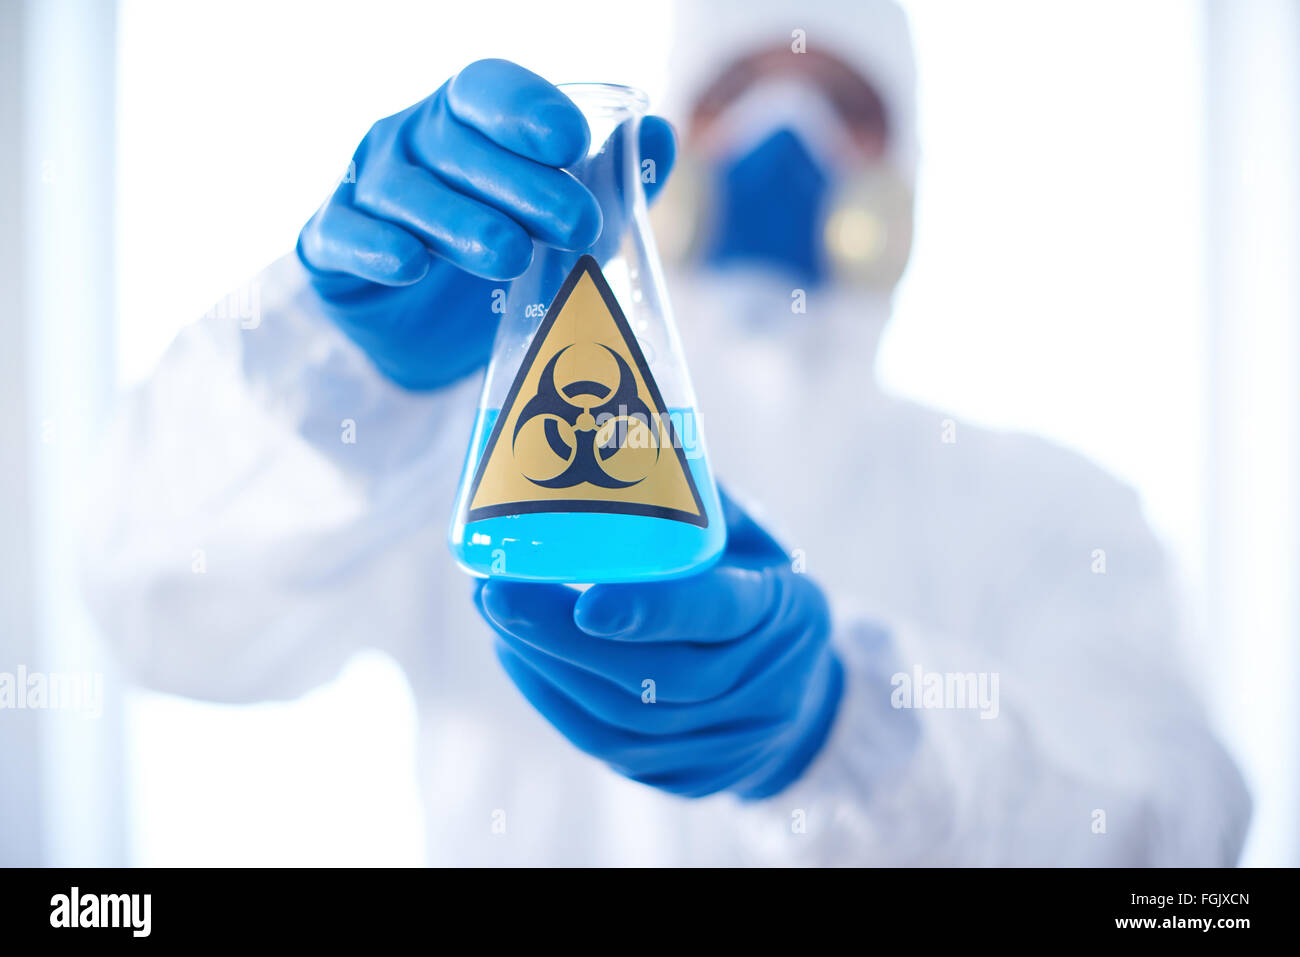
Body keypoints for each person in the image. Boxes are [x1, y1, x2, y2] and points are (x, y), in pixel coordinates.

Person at [83, 0, 1249, 864]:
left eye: (844, 105)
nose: (781, 135)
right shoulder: (469, 463)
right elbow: (155, 612)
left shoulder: (1049, 507)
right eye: (730, 91)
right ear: (662, 155)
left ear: (904, 180)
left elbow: (1180, 841)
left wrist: (841, 725)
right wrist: (348, 378)